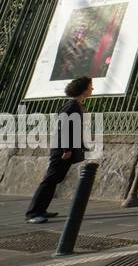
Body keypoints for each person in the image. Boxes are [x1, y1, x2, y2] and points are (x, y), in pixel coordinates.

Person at [26, 75, 93, 224]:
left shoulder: (76, 105)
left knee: (55, 180)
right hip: (62, 150)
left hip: (65, 148)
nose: (92, 89)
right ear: (83, 89)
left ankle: (41, 209)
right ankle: (32, 213)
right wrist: (66, 149)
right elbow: (64, 128)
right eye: (90, 86)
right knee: (50, 180)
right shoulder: (72, 106)